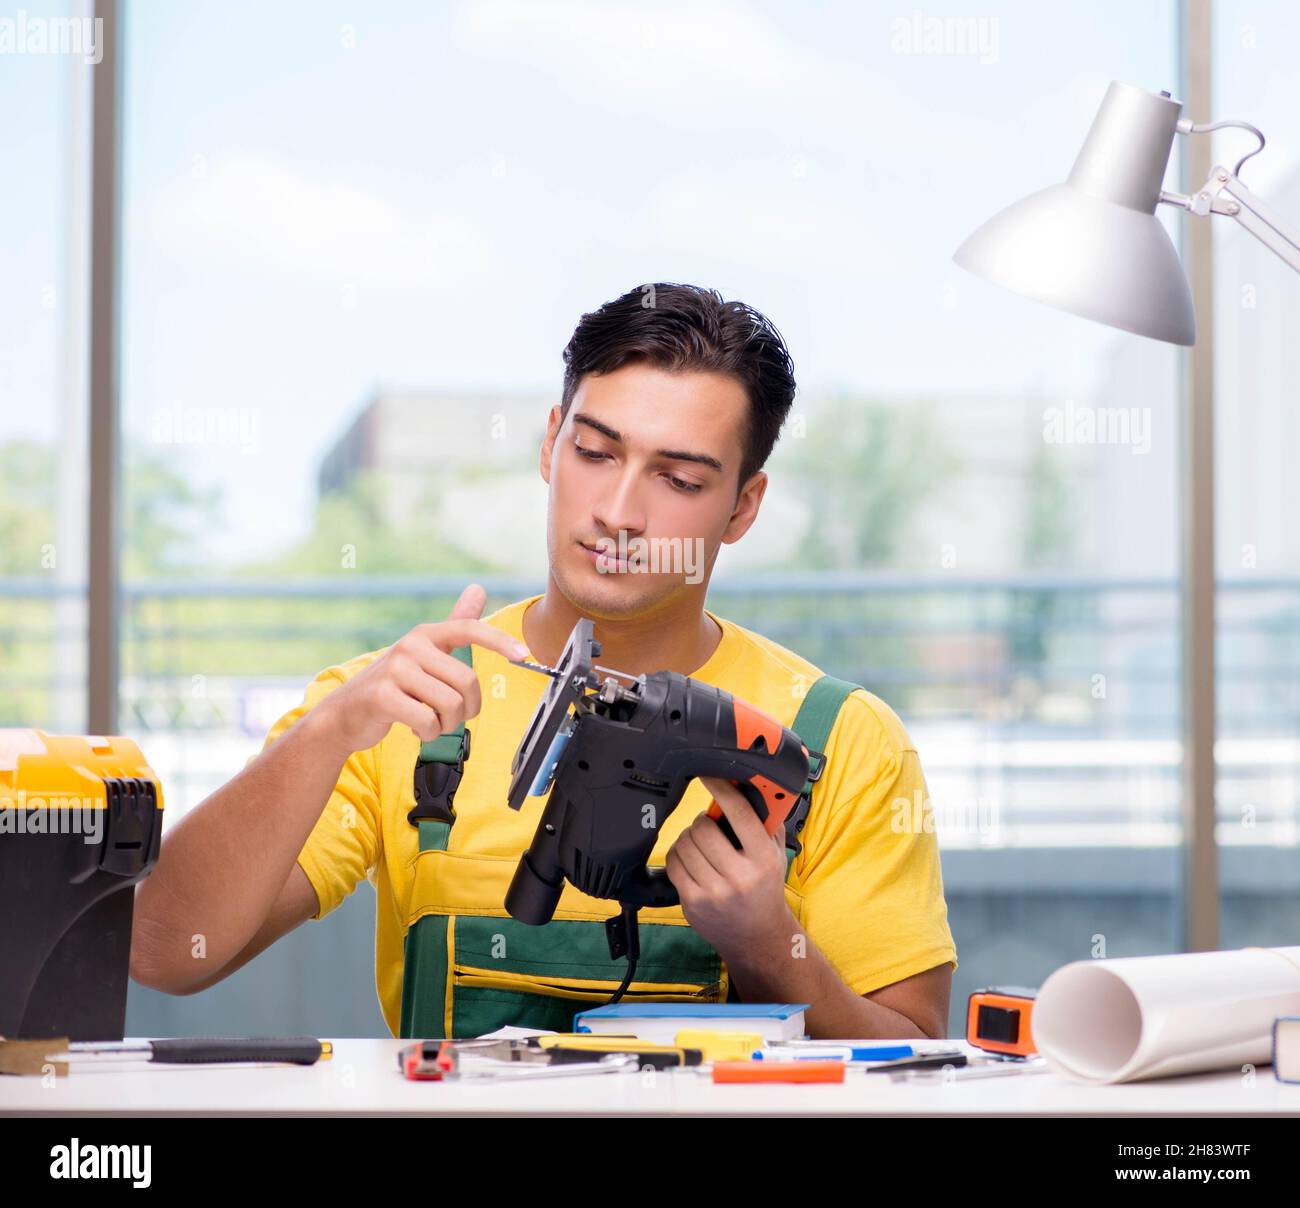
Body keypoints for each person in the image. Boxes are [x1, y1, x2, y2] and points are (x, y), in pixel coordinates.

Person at [130, 282, 958, 1040]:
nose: (618, 512)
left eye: (676, 479)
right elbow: (166, 953)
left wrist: (775, 948)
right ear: (549, 446)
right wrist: (331, 730)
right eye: (595, 454)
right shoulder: (395, 709)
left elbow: (920, 1073)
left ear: (742, 507)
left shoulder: (839, 740)